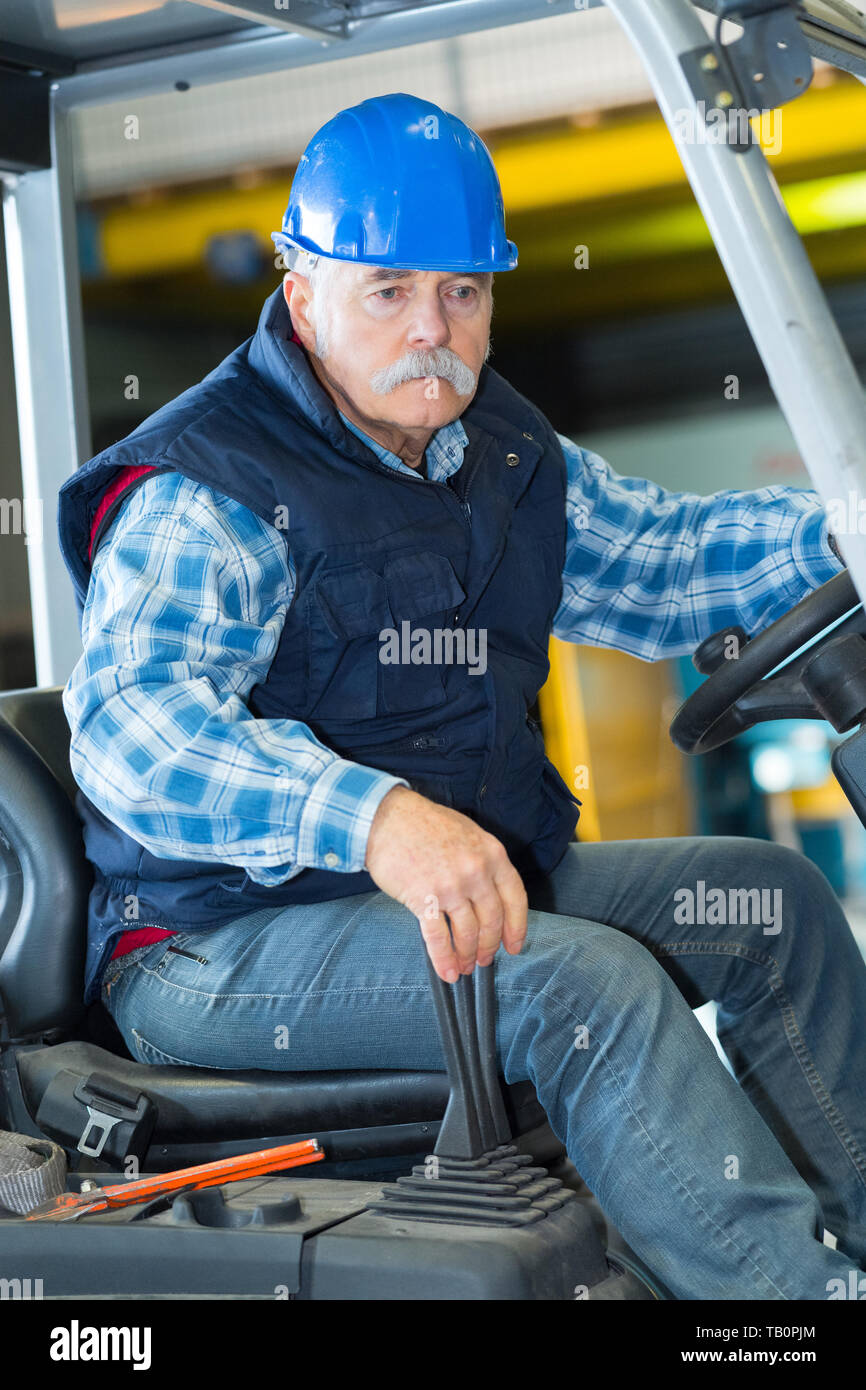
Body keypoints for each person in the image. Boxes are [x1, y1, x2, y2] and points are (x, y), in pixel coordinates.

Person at [58, 92, 866, 1299]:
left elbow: (661, 564)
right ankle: (786, 1313)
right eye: (387, 291)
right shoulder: (210, 485)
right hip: (214, 944)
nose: (430, 328)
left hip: (455, 884)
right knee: (583, 987)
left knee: (766, 901)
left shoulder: (495, 446)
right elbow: (133, 731)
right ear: (302, 294)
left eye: (463, 292)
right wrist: (376, 819)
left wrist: (842, 533)